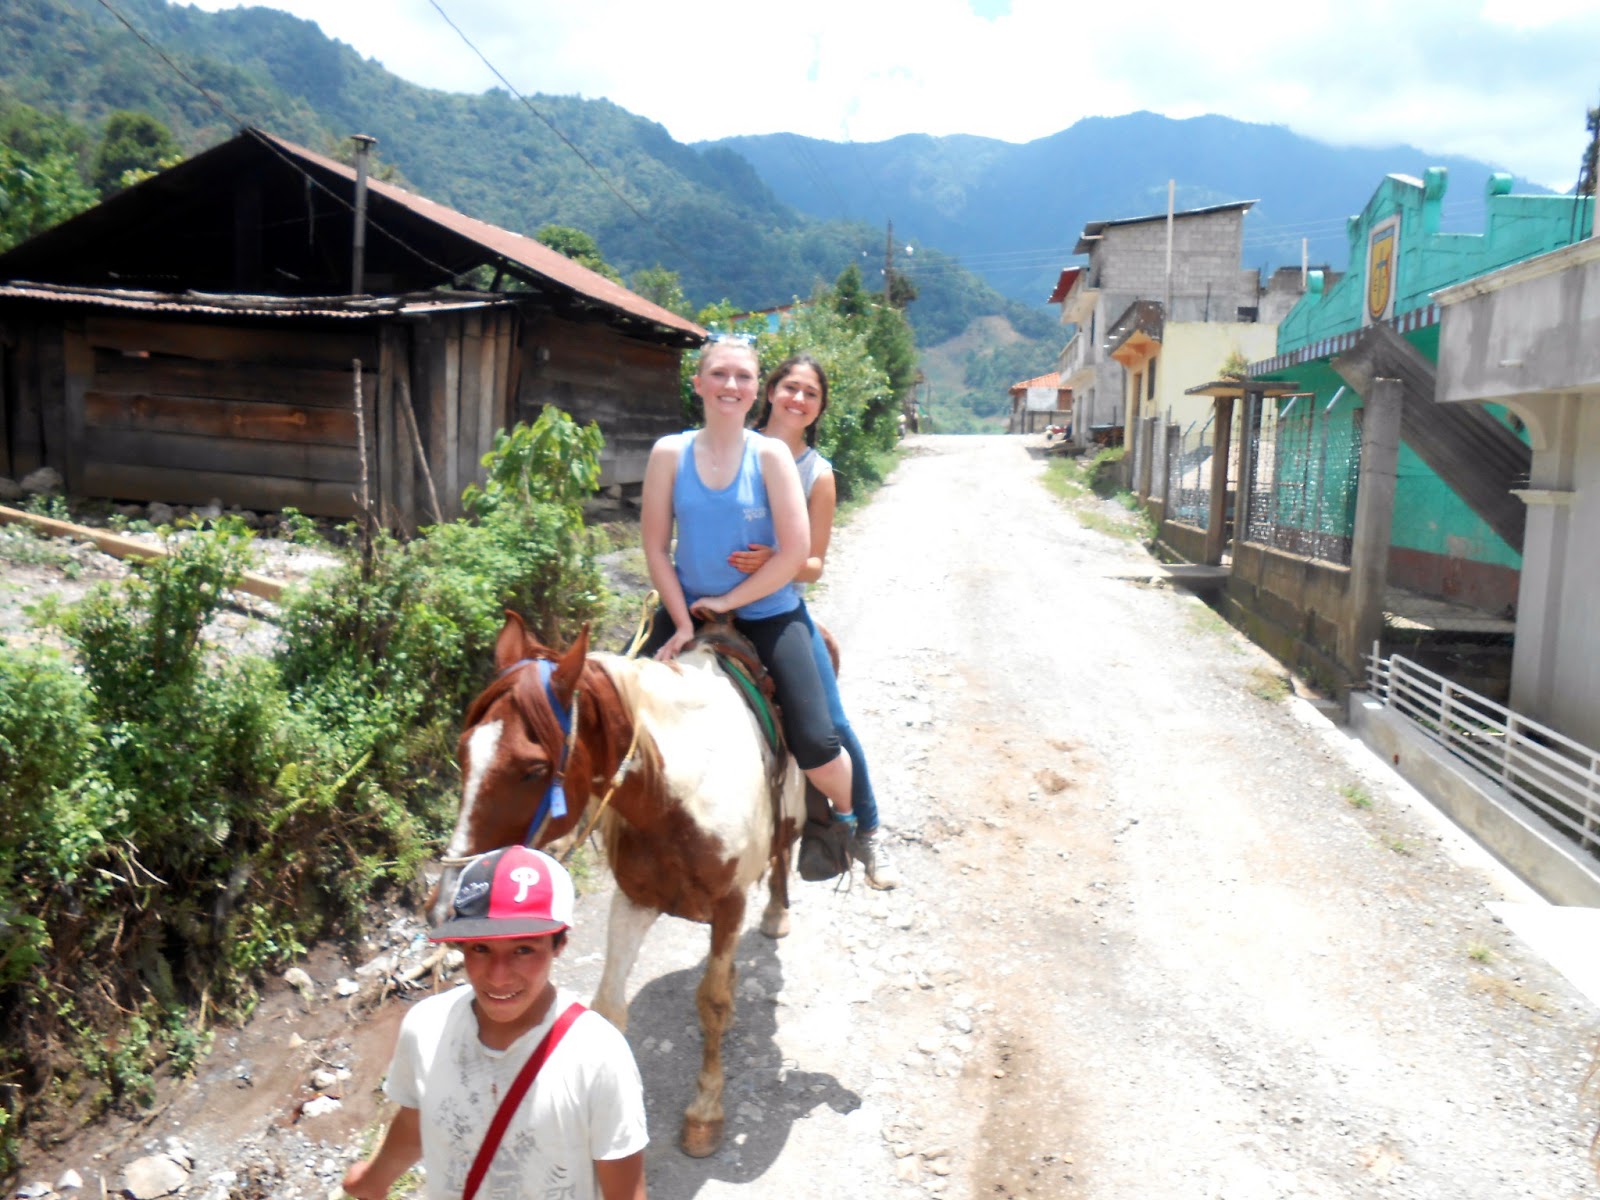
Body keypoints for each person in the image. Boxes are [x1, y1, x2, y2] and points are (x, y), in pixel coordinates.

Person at [638, 335, 857, 835]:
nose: (730, 385)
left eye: (743, 376)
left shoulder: (772, 456)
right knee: (616, 716)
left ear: (757, 389)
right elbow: (654, 548)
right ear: (698, 383)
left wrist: (726, 603)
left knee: (819, 742)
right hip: (685, 607)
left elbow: (796, 553)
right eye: (719, 374)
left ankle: (845, 823)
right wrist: (680, 618)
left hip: (769, 613)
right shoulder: (669, 453)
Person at [342, 845, 648, 1200]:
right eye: (481, 949)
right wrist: (375, 1178)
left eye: (523, 950)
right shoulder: (426, 1028)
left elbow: (625, 1192)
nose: (499, 977)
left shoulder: (599, 1056)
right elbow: (416, 1123)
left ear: (559, 943)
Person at [732, 353, 901, 889]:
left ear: (819, 408)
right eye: (790, 387)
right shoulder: (728, 445)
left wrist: (772, 563)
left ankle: (865, 831)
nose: (798, 399)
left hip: (777, 606)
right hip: (710, 600)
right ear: (771, 391)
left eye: (810, 393)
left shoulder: (817, 474)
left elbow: (815, 564)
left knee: (830, 723)